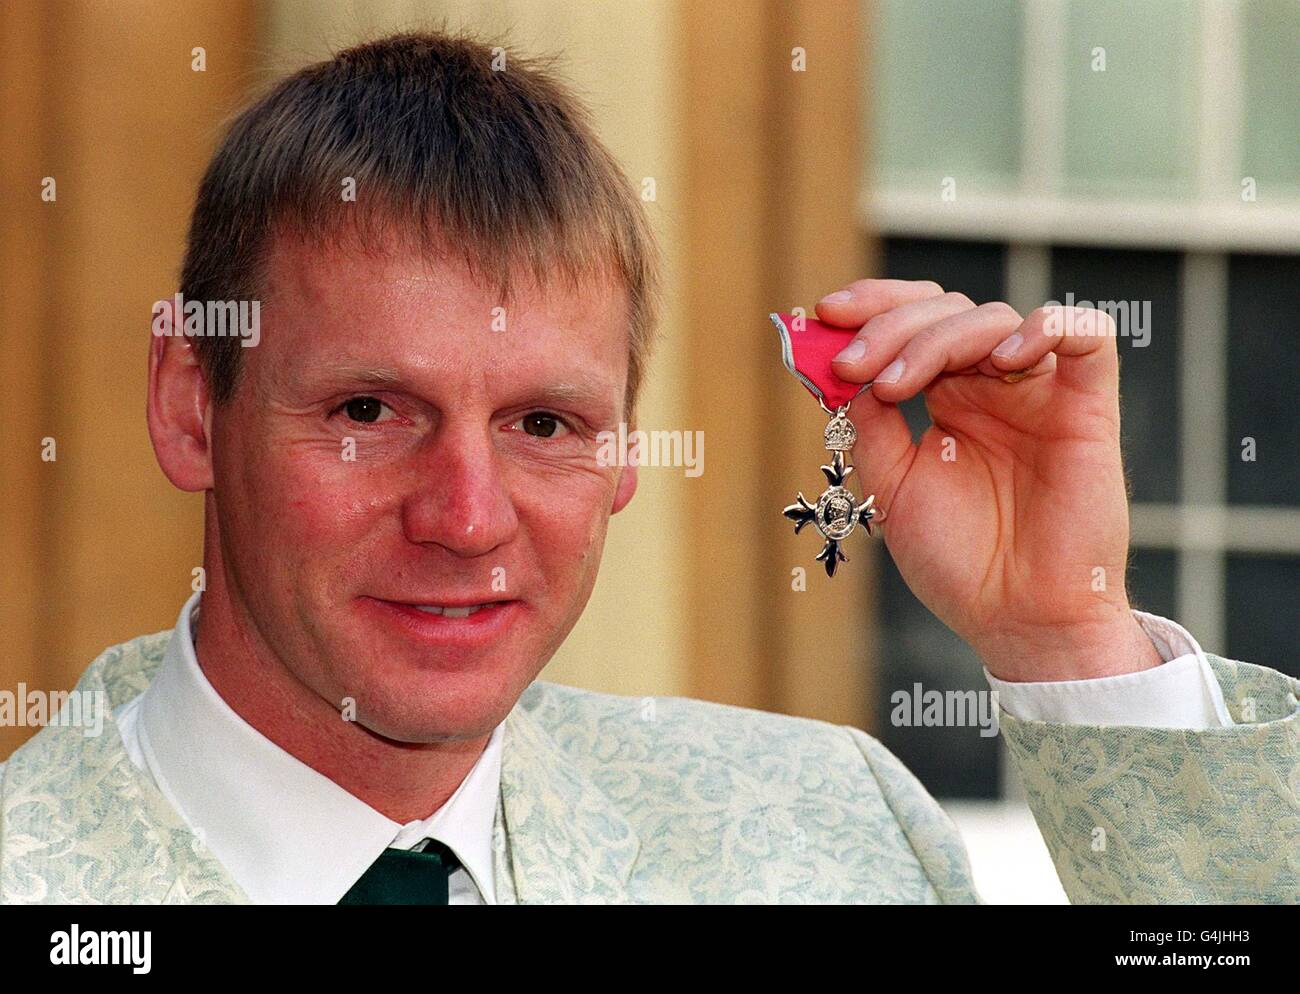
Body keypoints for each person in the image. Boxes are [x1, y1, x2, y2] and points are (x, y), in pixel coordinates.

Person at [1, 30, 1294, 905]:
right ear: (190, 401)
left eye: (544, 424)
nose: (466, 515)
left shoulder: (826, 837)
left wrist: (1069, 643)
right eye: (367, 407)